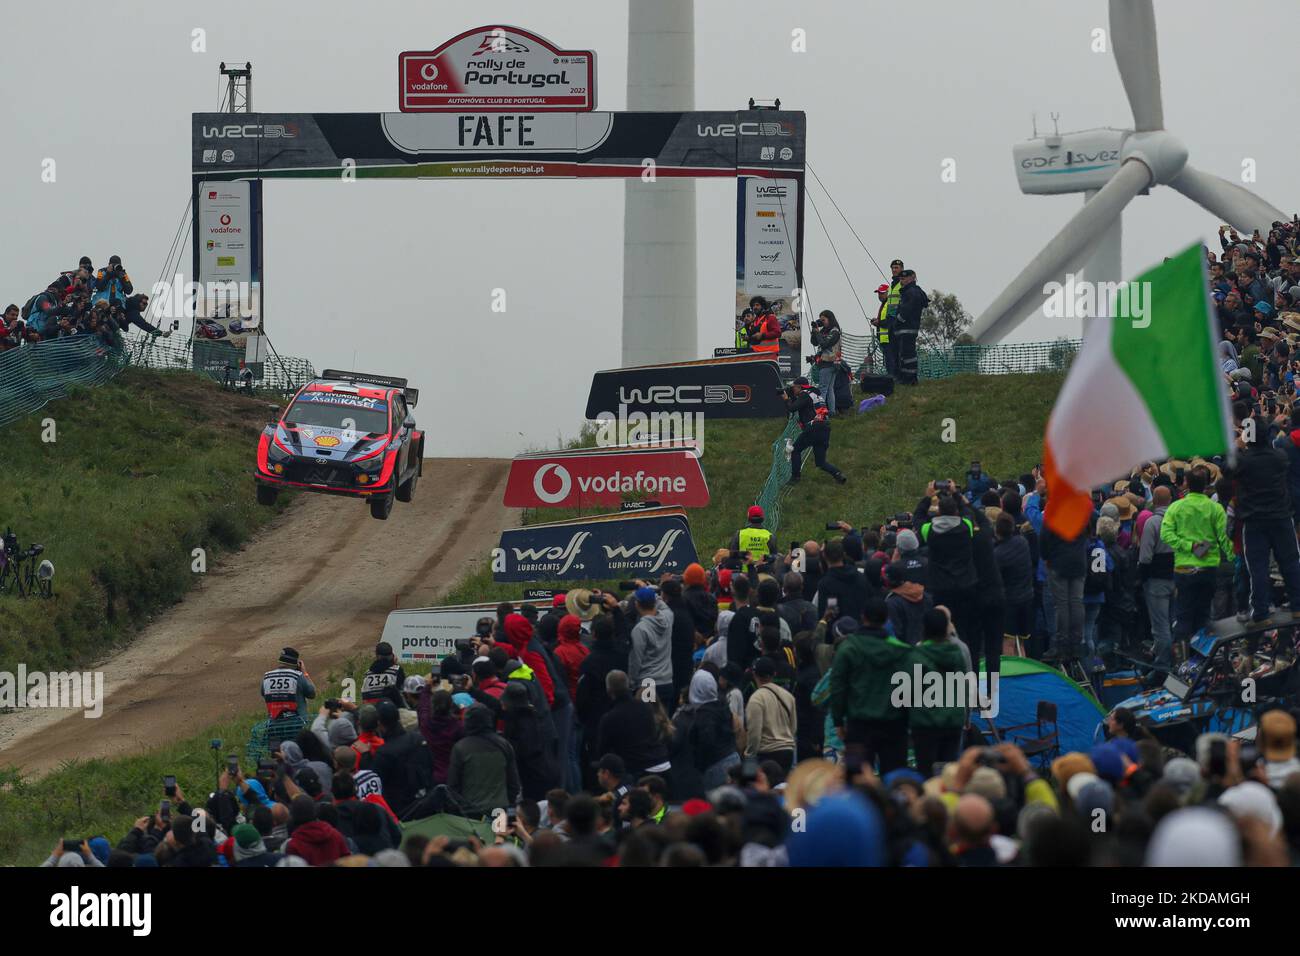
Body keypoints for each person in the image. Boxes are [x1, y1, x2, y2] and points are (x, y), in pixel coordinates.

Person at [830, 597, 912, 774]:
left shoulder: (848, 648)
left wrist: (838, 720)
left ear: (863, 617)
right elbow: (910, 689)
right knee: (894, 777)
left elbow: (837, 686)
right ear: (886, 619)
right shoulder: (901, 650)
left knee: (856, 778)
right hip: (894, 725)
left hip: (858, 726)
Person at [1231, 418, 1300, 622]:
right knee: (1290, 562)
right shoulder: (1279, 457)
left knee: (1258, 568)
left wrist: (1238, 444)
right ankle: (1297, 605)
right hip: (1281, 516)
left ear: (1248, 436)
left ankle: (1261, 612)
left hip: (1255, 520)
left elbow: (1226, 469)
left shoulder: (1243, 461)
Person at [1161, 466, 1232, 653]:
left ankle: (1181, 664)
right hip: (1208, 570)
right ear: (1207, 485)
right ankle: (1202, 659)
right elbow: (1225, 537)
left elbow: (1165, 534)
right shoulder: (1215, 508)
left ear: (1186, 484)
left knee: (1183, 616)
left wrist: (1187, 545)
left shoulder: (1176, 507)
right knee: (1203, 617)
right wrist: (1235, 558)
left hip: (1184, 570)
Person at [911, 608, 969, 773]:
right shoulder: (958, 653)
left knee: (926, 770)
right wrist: (965, 714)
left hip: (925, 723)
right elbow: (964, 685)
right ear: (946, 628)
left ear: (924, 629)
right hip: (952, 721)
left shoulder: (917, 655)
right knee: (949, 771)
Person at [669, 670, 741, 799]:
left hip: (716, 766)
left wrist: (700, 766)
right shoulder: (722, 706)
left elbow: (707, 743)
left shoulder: (703, 715)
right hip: (733, 758)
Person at [595, 670, 671, 781]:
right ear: (628, 685)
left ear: (609, 691)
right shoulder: (646, 708)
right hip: (663, 762)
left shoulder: (609, 718)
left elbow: (603, 752)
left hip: (638, 771)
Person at [1138, 485, 1177, 670]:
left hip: (1157, 581)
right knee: (1174, 623)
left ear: (1154, 501)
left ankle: (1162, 665)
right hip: (1178, 577)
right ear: (1170, 500)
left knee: (1161, 627)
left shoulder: (1152, 522)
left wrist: (1142, 578)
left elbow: (1145, 557)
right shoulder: (1179, 519)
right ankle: (1178, 661)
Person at [784, 377, 846, 485]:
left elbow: (793, 408)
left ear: (800, 387)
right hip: (825, 429)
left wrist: (786, 399)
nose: (793, 389)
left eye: (794, 387)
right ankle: (838, 474)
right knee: (820, 462)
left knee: (795, 450)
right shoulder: (816, 395)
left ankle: (795, 478)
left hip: (814, 428)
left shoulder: (805, 394)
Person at [744, 657, 798, 774]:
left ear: (754, 674)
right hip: (788, 751)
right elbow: (793, 728)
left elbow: (754, 733)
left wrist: (749, 757)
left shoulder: (756, 698)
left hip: (766, 754)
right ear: (774, 674)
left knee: (760, 788)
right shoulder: (788, 696)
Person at [628, 586, 675, 709]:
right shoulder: (668, 618)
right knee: (663, 723)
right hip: (667, 681)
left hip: (647, 683)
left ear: (637, 604)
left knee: (649, 724)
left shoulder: (640, 629)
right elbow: (663, 606)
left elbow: (636, 659)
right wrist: (651, 593)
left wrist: (632, 684)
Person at [261, 647, 316, 720]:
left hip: (273, 726)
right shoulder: (297, 676)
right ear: (296, 664)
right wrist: (305, 673)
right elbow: (312, 694)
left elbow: (264, 694)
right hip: (296, 725)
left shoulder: (267, 677)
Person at [894, 269, 928, 385]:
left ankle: (910, 379)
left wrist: (899, 319)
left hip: (907, 328)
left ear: (912, 278)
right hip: (906, 328)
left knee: (908, 355)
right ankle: (906, 378)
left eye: (905, 278)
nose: (902, 280)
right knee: (905, 354)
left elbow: (908, 309)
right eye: (901, 278)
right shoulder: (909, 291)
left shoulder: (912, 292)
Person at [809, 309, 843, 414]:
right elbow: (814, 342)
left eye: (823, 320)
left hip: (829, 362)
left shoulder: (835, 331)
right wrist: (814, 331)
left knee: (823, 389)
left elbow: (824, 344)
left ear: (830, 319)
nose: (822, 322)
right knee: (829, 389)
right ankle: (831, 412)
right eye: (821, 320)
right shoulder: (824, 330)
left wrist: (818, 333)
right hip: (829, 363)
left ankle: (820, 412)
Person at [361, 642, 406, 710]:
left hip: (370, 710)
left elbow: (364, 696)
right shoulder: (396, 670)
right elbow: (403, 692)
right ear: (392, 656)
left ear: (377, 656)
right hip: (391, 709)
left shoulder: (367, 673)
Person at [871, 282, 896, 376]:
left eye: (882, 293)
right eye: (878, 293)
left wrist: (879, 323)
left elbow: (890, 321)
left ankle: (892, 378)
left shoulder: (889, 304)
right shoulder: (883, 304)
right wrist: (877, 321)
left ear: (888, 293)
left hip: (890, 338)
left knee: (891, 361)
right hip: (884, 339)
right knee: (888, 361)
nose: (879, 295)